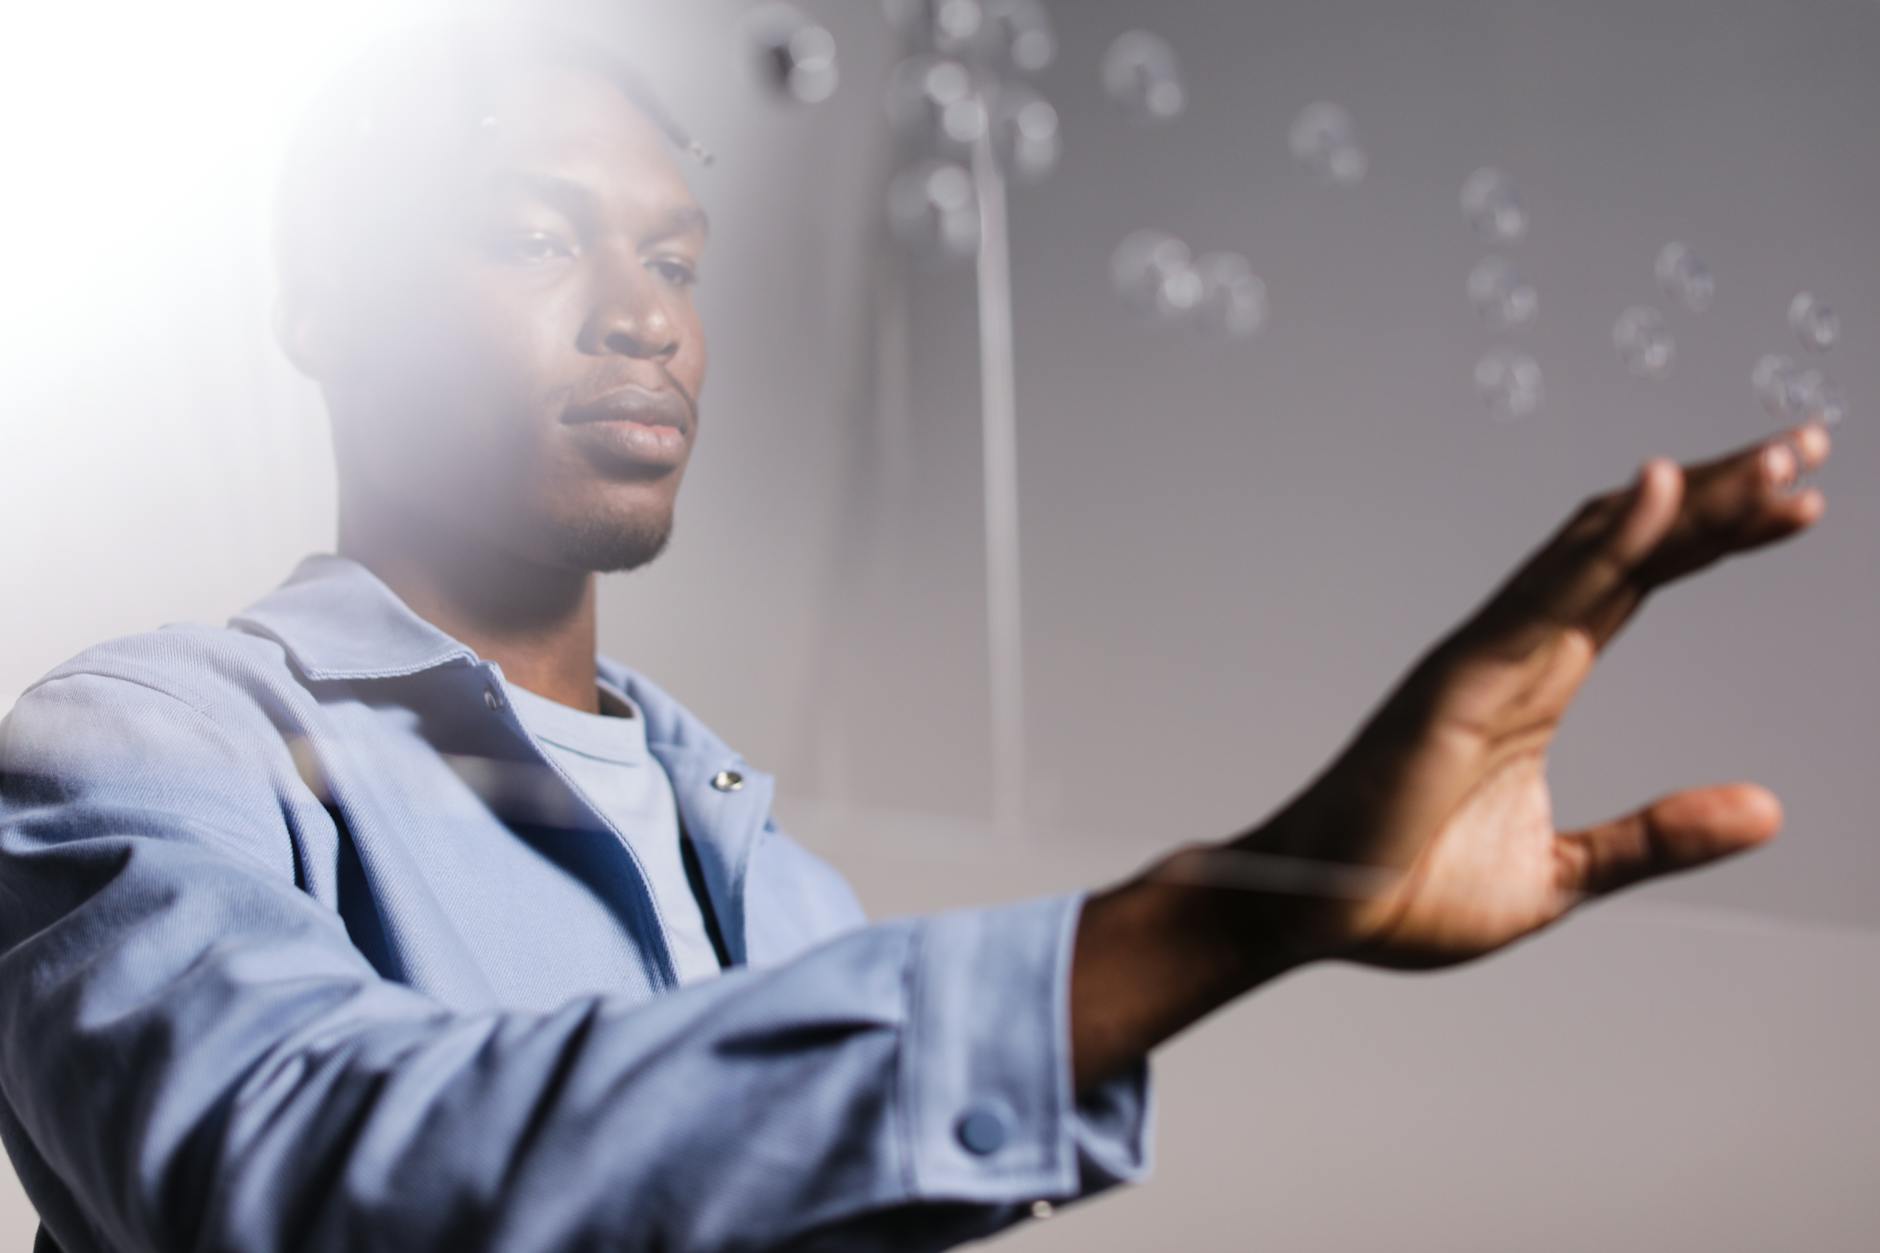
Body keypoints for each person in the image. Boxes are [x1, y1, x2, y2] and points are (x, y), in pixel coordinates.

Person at [0, 14, 1834, 1253]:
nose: (641, 319)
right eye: (534, 237)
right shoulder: (145, 749)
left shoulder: (774, 876)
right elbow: (301, 1174)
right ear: (325, 302)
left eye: (676, 259)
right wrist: (1234, 902)